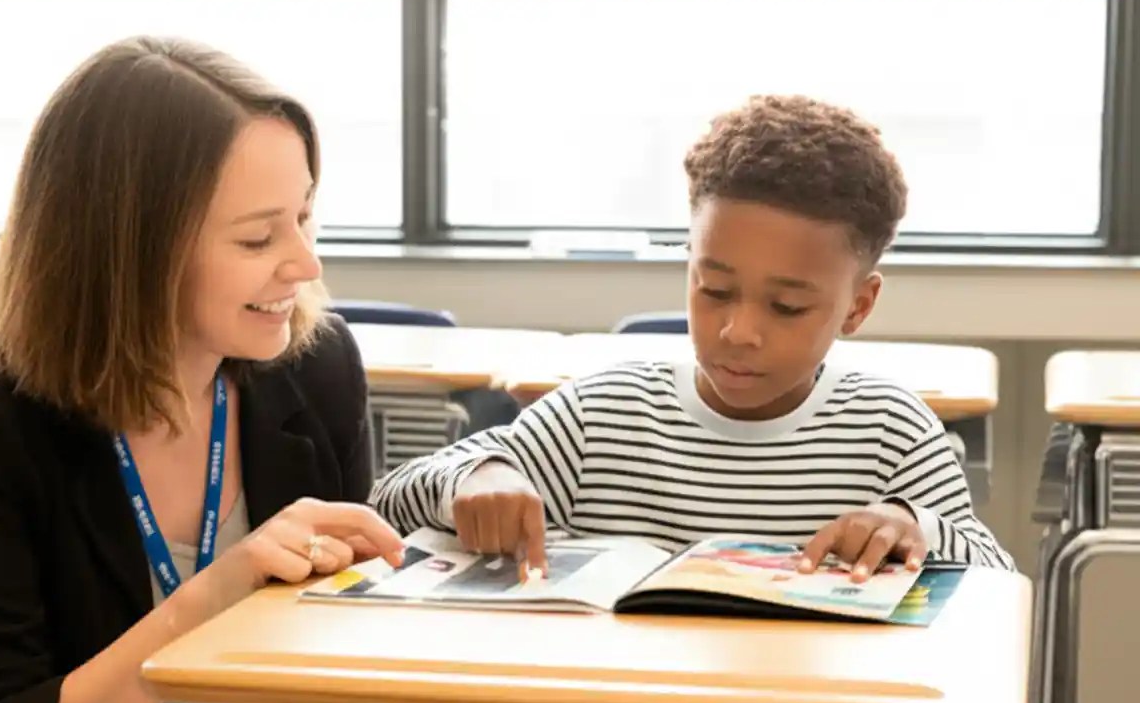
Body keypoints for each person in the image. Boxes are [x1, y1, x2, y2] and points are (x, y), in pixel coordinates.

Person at [0, 35, 404, 703]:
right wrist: (215, 594)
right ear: (130, 251)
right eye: (257, 237)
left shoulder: (316, 368)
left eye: (305, 217)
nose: (307, 265)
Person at [372, 94, 1015, 582]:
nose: (739, 332)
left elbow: (996, 578)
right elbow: (387, 501)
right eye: (713, 290)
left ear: (858, 305)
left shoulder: (890, 433)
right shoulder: (603, 415)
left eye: (787, 307)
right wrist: (478, 476)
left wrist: (914, 526)